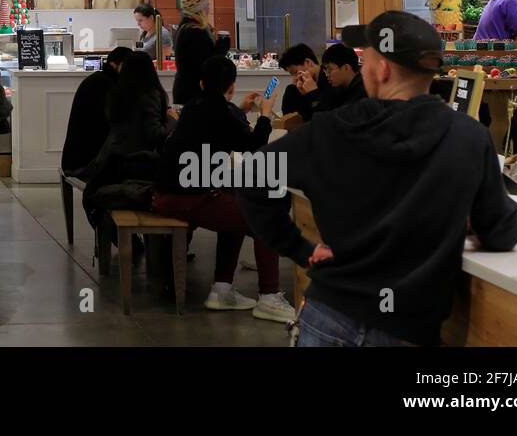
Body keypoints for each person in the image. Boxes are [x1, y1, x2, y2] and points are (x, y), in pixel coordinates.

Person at [239, 11, 517, 347]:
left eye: (366, 58)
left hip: (328, 315)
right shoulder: (470, 137)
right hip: (408, 328)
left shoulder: (331, 129)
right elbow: (502, 232)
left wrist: (300, 249)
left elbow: (253, 174)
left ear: (383, 69)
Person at [154, 55, 295, 323]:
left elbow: (224, 129)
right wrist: (265, 113)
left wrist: (239, 109)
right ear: (231, 85)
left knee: (235, 205)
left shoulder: (195, 106)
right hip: (190, 197)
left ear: (201, 82)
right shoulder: (221, 112)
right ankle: (269, 297)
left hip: (166, 193)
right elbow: (254, 145)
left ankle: (222, 290)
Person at [74, 52, 171, 182]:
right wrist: (173, 120)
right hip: (136, 162)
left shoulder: (116, 94)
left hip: (110, 160)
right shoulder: (149, 95)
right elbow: (154, 134)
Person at [61, 46, 133, 174]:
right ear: (114, 64)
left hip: (76, 157)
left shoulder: (98, 80)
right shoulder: (106, 85)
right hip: (89, 161)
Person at [172, 0, 229, 106]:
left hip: (185, 90)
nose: (209, 8)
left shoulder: (185, 28)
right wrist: (222, 46)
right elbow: (208, 64)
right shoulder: (194, 31)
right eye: (207, 5)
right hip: (194, 93)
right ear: (200, 8)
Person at [279, 43, 330, 123]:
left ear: (308, 62)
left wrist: (312, 93)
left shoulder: (330, 80)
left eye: (295, 72)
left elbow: (325, 117)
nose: (295, 78)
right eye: (292, 74)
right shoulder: (298, 86)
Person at [319, 43, 367, 112]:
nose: (327, 74)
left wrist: (312, 94)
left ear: (346, 68)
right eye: (326, 70)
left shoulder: (361, 95)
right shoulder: (342, 89)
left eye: (330, 69)